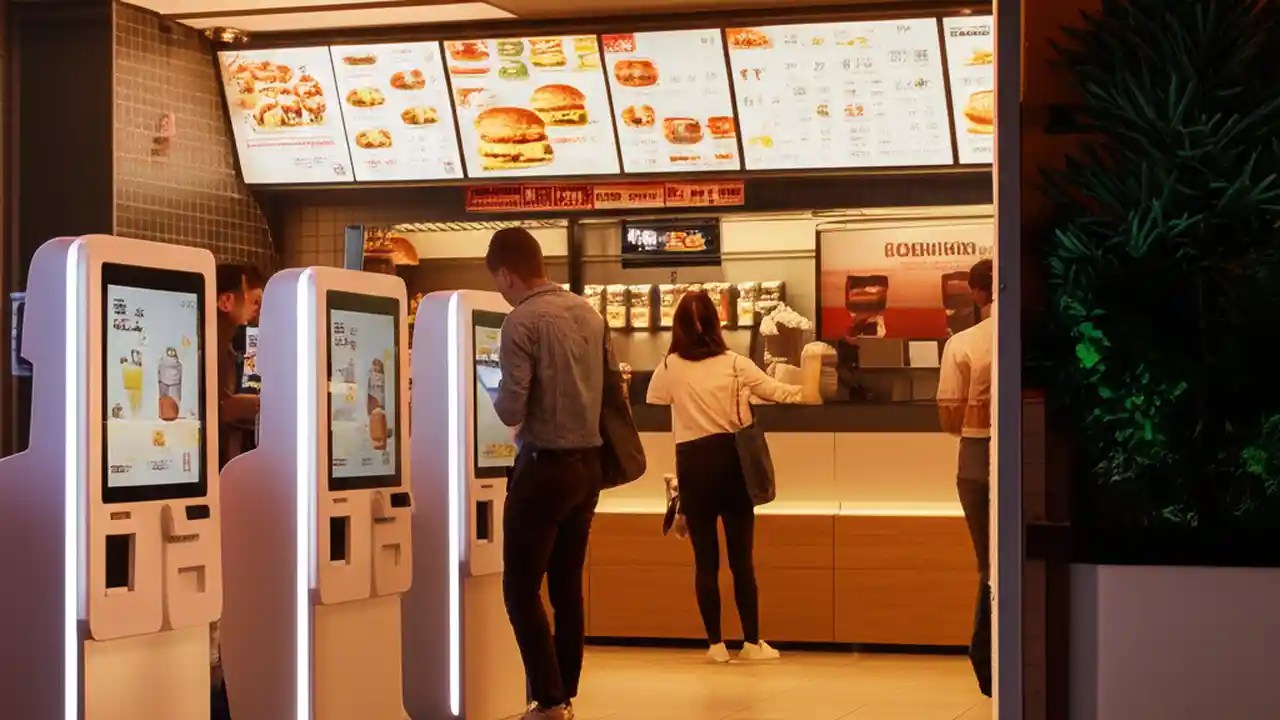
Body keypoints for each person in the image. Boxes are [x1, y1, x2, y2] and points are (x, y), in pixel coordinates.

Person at [485, 228, 607, 720]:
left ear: (508, 273)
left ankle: (549, 699)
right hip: (588, 467)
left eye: (498, 281)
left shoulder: (521, 322)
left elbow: (513, 408)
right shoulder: (588, 313)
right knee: (566, 585)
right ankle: (564, 694)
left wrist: (489, 390)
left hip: (543, 469)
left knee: (519, 588)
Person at [646, 292, 804, 664]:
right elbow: (777, 391)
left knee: (705, 560)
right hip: (732, 464)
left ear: (678, 326)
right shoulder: (735, 363)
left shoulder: (669, 367)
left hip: (692, 465)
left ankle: (715, 645)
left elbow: (655, 401)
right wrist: (810, 389)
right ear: (716, 324)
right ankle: (752, 643)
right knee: (741, 560)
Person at [937, 258, 994, 698]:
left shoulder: (962, 343)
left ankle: (985, 657)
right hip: (1023, 454)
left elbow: (948, 415)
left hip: (975, 456)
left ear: (976, 292)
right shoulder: (1027, 337)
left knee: (988, 563)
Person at [212, 263, 265, 720]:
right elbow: (220, 407)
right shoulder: (212, 343)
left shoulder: (224, 344)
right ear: (226, 299)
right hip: (214, 471)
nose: (256, 309)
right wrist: (271, 402)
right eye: (253, 299)